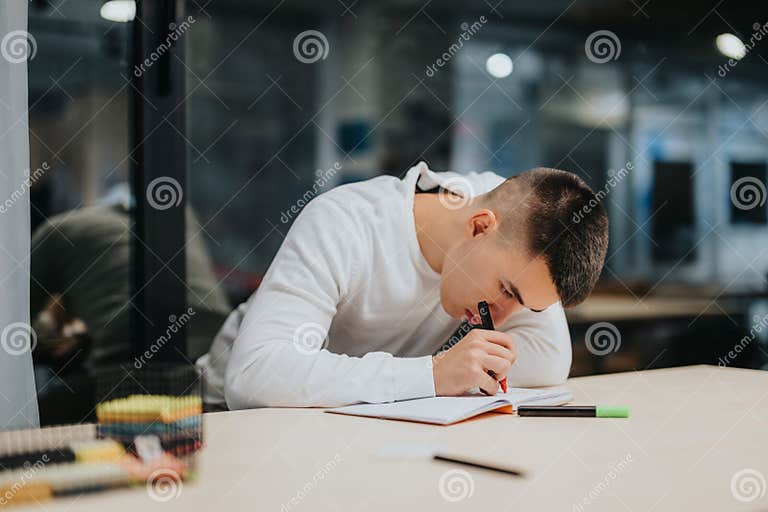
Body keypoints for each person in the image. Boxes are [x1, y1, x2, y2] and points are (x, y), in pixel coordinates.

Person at [197, 161, 608, 409]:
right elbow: (255, 376)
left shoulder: (523, 225)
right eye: (506, 290)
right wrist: (432, 375)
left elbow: (549, 361)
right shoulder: (346, 223)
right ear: (479, 226)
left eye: (527, 307)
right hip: (227, 419)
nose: (503, 316)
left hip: (360, 420)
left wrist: (444, 373)